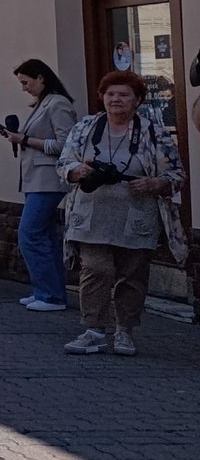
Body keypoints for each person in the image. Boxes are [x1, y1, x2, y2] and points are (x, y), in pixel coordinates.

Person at [58, 71, 185, 357]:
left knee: (132, 274)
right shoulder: (86, 128)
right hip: (91, 213)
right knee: (95, 269)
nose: (116, 99)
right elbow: (64, 164)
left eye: (124, 94)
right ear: (102, 97)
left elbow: (177, 174)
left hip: (137, 214)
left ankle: (124, 331)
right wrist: (77, 171)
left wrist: (155, 183)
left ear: (137, 100)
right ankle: (93, 330)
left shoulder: (153, 131)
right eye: (110, 94)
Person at [0, 59, 77, 313]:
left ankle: (51, 295)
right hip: (35, 178)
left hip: (48, 179)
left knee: (29, 234)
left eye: (26, 82)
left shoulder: (58, 103)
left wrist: (25, 139)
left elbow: (66, 144)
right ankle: (48, 292)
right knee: (45, 236)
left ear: (41, 78)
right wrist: (18, 138)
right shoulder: (43, 102)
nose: (24, 88)